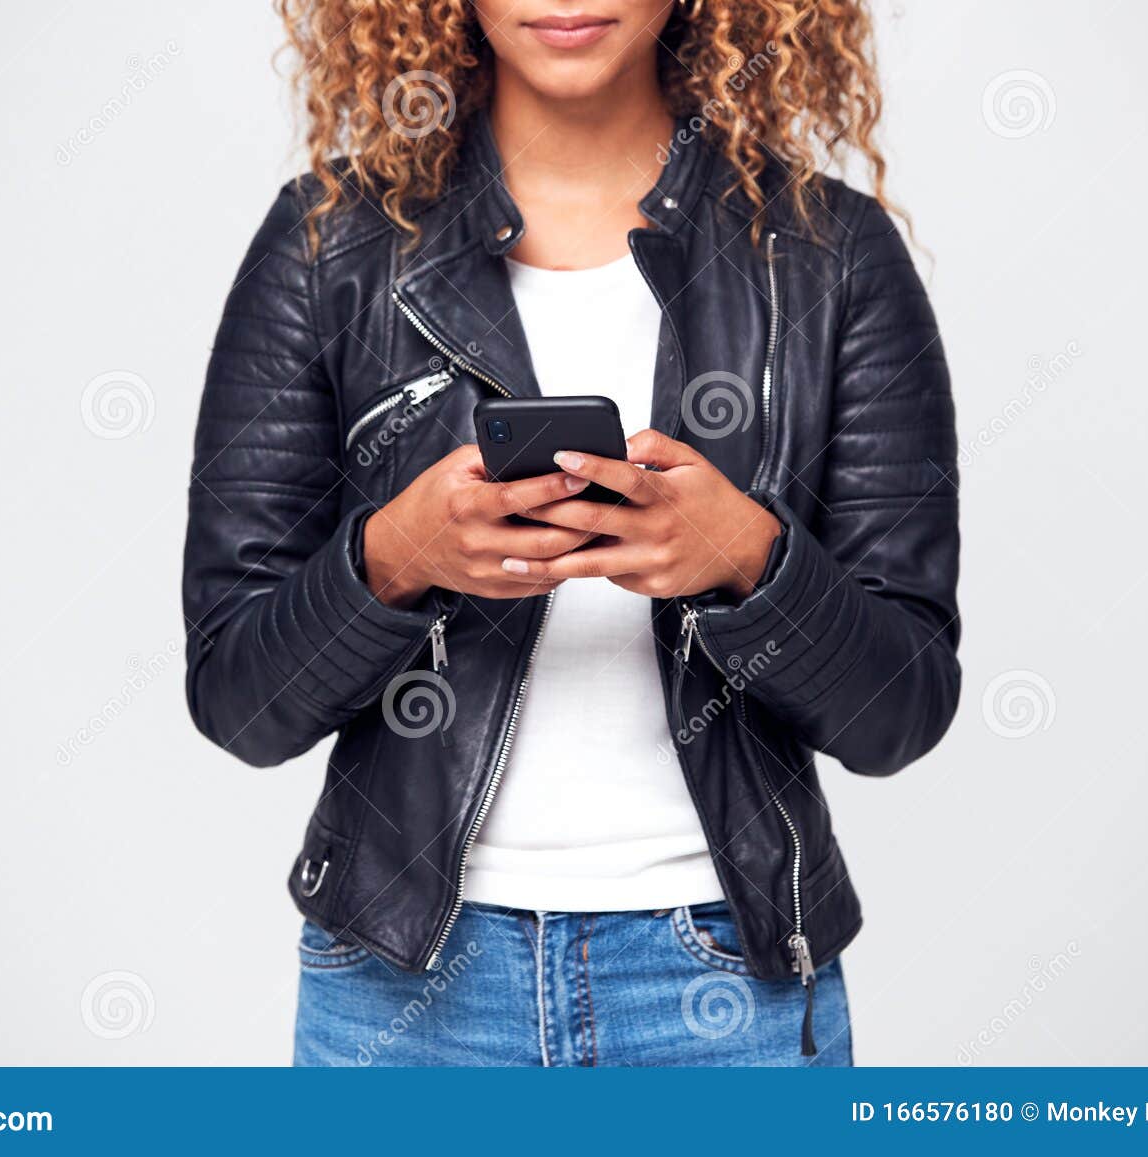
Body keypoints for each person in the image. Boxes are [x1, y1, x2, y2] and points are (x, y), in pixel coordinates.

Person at [182, 0, 960, 1066]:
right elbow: (239, 701)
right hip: (404, 985)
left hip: (724, 976)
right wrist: (394, 560)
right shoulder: (330, 248)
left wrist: (750, 560)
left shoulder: (827, 256)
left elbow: (901, 712)